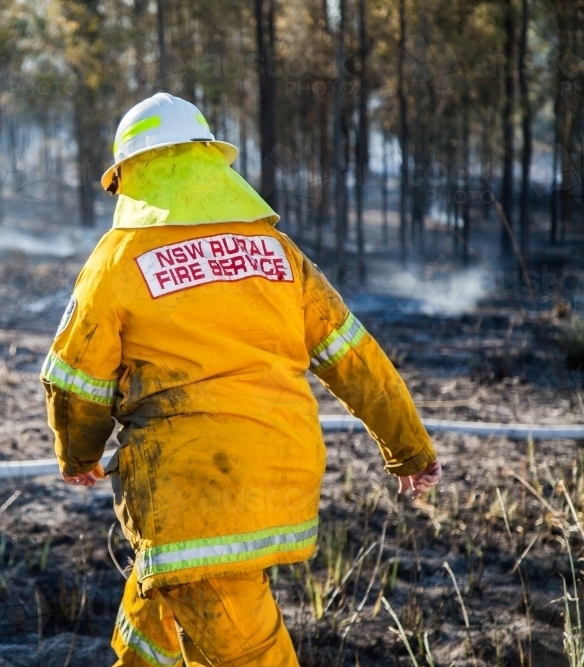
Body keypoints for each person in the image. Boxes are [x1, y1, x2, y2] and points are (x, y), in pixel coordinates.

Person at [40, 92, 442, 667]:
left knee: (244, 644)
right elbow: (355, 357)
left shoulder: (117, 262)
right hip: (278, 473)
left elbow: (74, 383)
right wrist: (408, 446)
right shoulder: (277, 252)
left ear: (131, 175)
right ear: (213, 165)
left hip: (191, 493)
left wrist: (78, 453)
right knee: (155, 620)